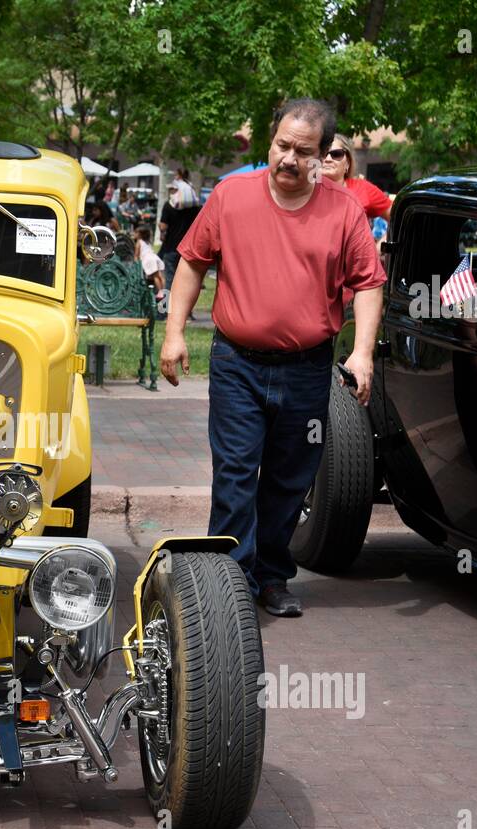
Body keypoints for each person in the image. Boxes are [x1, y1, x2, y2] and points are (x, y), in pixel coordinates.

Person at [160, 97, 386, 617]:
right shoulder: (232, 196)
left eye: (302, 151)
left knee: (290, 479)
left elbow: (369, 284)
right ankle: (231, 585)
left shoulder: (344, 211)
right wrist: (174, 334)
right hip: (237, 364)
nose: (288, 158)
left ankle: (271, 575)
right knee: (236, 474)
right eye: (281, 145)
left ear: (323, 154)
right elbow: (192, 263)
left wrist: (363, 354)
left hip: (308, 369)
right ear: (271, 140)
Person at [320, 134, 391, 223]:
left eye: (336, 154)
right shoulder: (305, 191)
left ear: (347, 163)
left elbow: (397, 218)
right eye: (323, 153)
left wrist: (385, 237)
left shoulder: (363, 188)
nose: (328, 159)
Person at [157, 168, 201, 311]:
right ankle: (187, 313)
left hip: (171, 248)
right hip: (188, 248)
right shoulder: (195, 207)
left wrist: (161, 230)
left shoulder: (169, 206)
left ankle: (163, 311)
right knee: (187, 281)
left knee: (168, 279)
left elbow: (163, 226)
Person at [134, 225, 166, 301]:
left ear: (140, 235)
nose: (134, 234)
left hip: (148, 259)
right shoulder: (148, 241)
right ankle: (164, 291)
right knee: (160, 276)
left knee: (155, 276)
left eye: (136, 233)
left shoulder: (139, 242)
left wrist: (136, 264)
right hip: (154, 257)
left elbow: (136, 255)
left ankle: (160, 293)